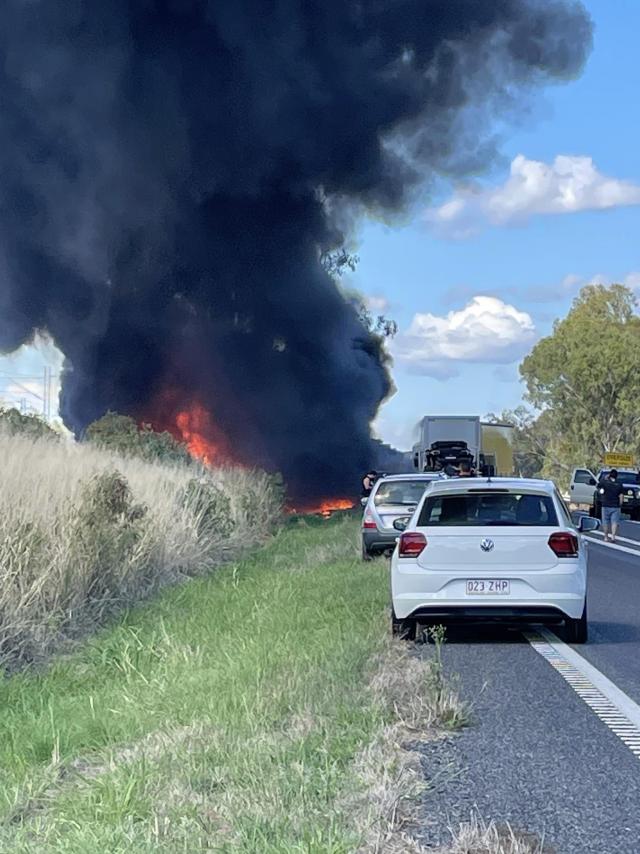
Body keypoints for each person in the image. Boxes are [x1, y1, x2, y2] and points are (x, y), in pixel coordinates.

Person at [598, 469, 624, 542]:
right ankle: (613, 537)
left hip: (605, 505)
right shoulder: (619, 484)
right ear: (616, 476)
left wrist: (605, 478)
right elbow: (621, 495)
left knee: (605, 521)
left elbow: (598, 485)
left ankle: (606, 537)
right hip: (615, 506)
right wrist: (620, 504)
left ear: (609, 475)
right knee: (614, 522)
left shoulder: (605, 482)